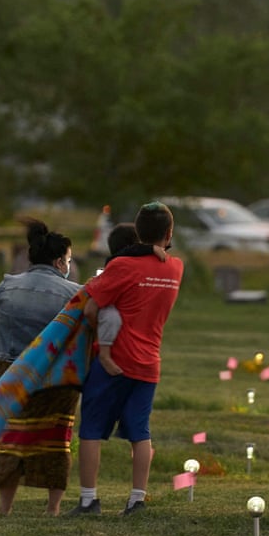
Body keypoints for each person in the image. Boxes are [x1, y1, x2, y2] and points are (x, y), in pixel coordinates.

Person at [69, 202, 183, 516]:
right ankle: (137, 500)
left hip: (113, 360)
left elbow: (91, 307)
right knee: (140, 432)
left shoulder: (122, 267)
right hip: (149, 362)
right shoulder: (175, 268)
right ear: (169, 233)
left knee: (91, 429)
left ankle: (89, 500)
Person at [0, 218, 80, 515]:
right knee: (56, 439)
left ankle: (5, 507)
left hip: (10, 372)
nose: (69, 264)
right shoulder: (74, 293)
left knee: (11, 437)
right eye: (68, 259)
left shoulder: (6, 285)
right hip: (56, 379)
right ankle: (53, 508)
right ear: (58, 261)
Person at [97, 223, 166, 376]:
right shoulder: (118, 262)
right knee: (111, 317)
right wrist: (149, 249)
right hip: (107, 310)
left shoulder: (124, 263)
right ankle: (105, 354)